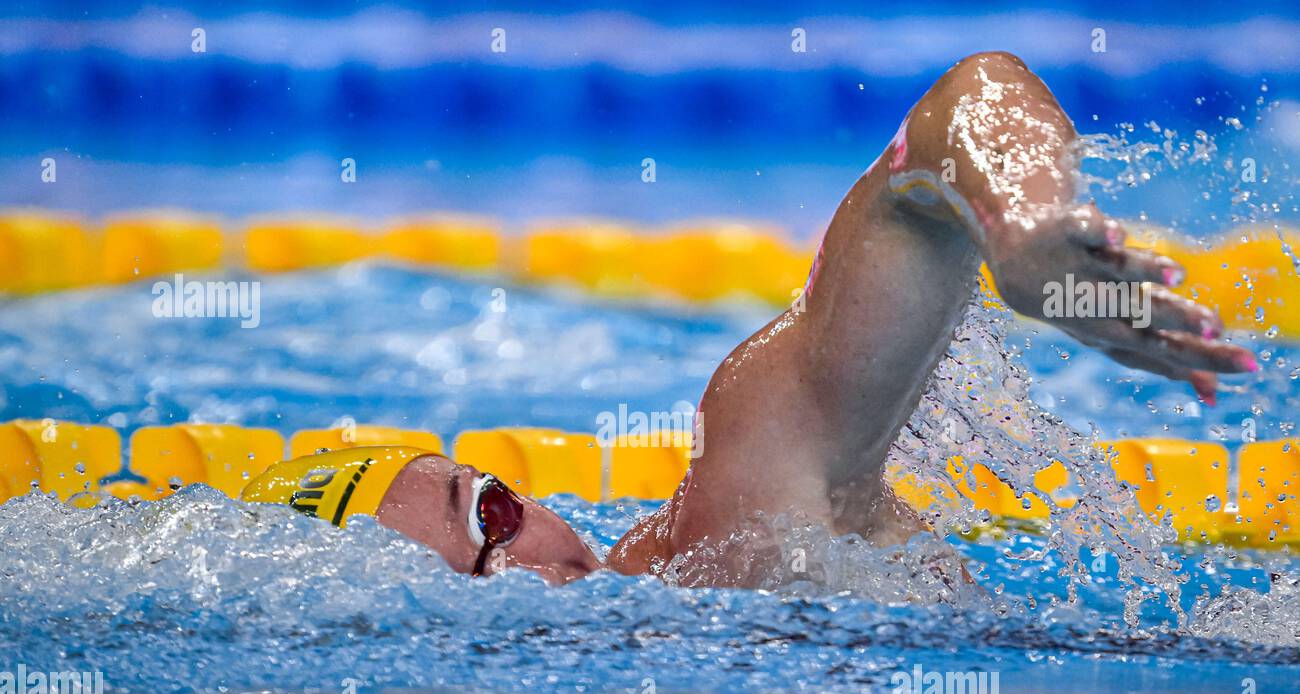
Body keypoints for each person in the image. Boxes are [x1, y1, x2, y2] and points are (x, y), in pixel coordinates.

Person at [243, 52, 1256, 588]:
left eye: (492, 511)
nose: (512, 571)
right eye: (462, 573)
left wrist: (1025, 234)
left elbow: (959, 106)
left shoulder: (731, 511)